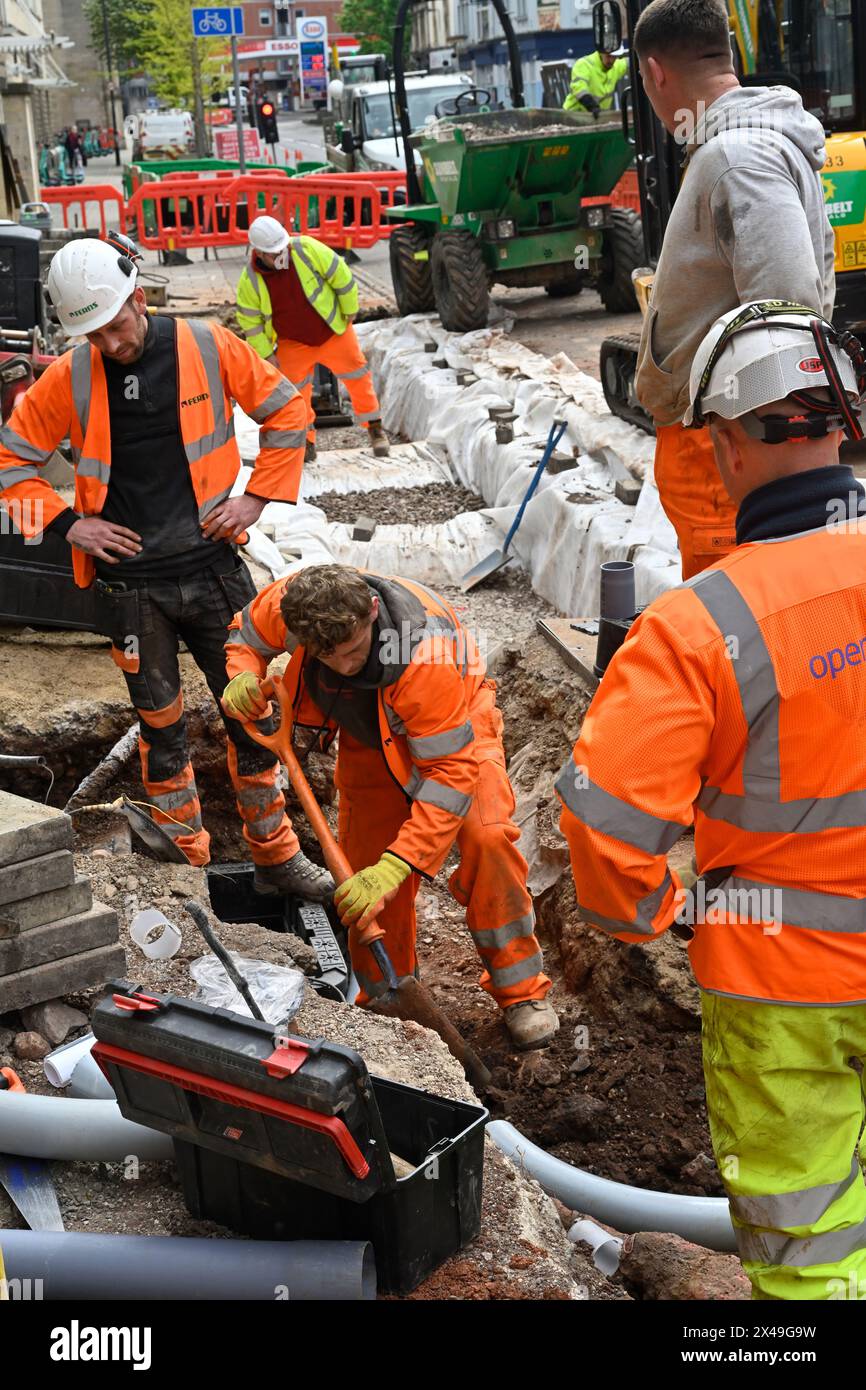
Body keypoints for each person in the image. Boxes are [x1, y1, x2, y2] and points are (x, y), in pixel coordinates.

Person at [556, 299, 866, 1299]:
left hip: (784, 984)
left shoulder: (700, 624)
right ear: (842, 423)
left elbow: (604, 823)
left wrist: (658, 914)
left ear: (725, 446)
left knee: (810, 1236)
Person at [0, 237, 331, 898]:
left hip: (214, 570)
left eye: (117, 327)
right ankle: (186, 865)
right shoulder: (69, 376)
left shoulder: (208, 347)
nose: (112, 344)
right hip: (131, 589)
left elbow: (289, 409)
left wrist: (257, 496)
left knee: (255, 714)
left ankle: (275, 854)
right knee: (162, 730)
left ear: (139, 299)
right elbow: (10, 466)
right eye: (93, 335)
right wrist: (71, 524)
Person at [221, 564, 559, 1049]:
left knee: (487, 842)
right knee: (362, 880)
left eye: (355, 651)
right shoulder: (291, 604)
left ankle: (521, 992)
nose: (343, 666)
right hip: (368, 736)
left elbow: (449, 777)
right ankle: (387, 998)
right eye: (327, 657)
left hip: (457, 733)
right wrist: (242, 674)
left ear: (373, 612)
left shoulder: (426, 656)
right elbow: (245, 633)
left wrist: (399, 865)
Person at [632, 0, 835, 579]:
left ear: (656, 72)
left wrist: (756, 455)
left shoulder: (735, 157)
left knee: (736, 619)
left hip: (730, 445)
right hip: (731, 443)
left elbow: (787, 315)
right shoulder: (737, 147)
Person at [236, 216, 389, 463]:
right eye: (275, 253)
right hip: (293, 343)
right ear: (260, 253)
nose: (281, 254)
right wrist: (267, 354)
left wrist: (350, 309)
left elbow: (341, 276)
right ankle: (306, 443)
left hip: (333, 332)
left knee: (358, 379)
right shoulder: (250, 280)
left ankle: (375, 429)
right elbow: (250, 322)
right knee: (295, 397)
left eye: (283, 248)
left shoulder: (307, 249)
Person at [562, 42, 628, 114]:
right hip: (575, 115)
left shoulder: (616, 65)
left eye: (614, 57)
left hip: (599, 117)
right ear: (600, 52)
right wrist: (592, 106)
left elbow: (629, 62)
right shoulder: (584, 64)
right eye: (608, 56)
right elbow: (579, 89)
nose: (611, 60)